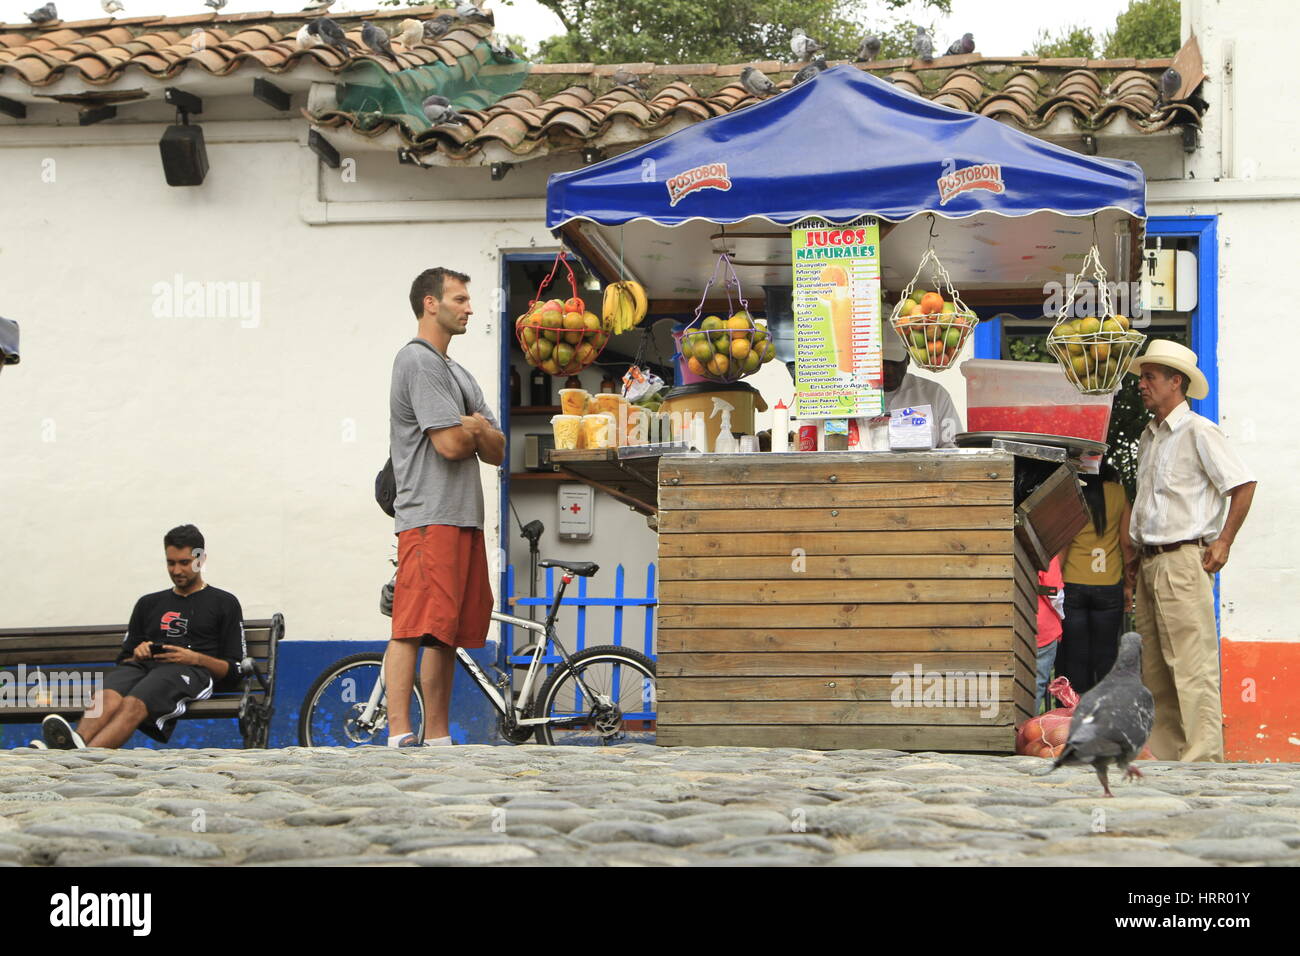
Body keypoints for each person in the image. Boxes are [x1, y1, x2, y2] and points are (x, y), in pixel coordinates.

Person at [387, 267, 505, 748]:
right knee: (412, 625)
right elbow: (452, 445)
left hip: (462, 518)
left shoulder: (458, 372)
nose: (470, 308)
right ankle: (399, 733)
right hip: (428, 516)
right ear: (430, 303)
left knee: (445, 633)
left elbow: (497, 450)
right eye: (459, 299)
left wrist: (475, 428)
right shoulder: (417, 361)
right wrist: (473, 429)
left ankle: (436, 736)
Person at [1126, 341, 1256, 762]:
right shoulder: (1149, 438)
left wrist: (1224, 541)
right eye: (1142, 377)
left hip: (1184, 558)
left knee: (1192, 664)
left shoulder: (1199, 431)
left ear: (1175, 382)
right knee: (1155, 669)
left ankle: (1202, 760)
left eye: (1150, 377)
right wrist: (1134, 559)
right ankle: (1168, 757)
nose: (1142, 385)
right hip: (1150, 561)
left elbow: (1243, 484)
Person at [37, 525, 246, 750]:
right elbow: (124, 659)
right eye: (170, 563)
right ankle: (76, 744)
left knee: (133, 703)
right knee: (107, 695)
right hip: (143, 667)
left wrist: (194, 658)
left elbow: (235, 669)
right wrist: (139, 652)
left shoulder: (224, 603)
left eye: (184, 562)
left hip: (190, 672)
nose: (176, 570)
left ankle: (76, 755)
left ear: (201, 559)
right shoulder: (148, 603)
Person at [1058, 460, 1134, 697]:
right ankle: (1103, 708)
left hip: (1073, 583)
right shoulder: (1118, 494)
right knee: (1106, 654)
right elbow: (1127, 543)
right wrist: (1129, 585)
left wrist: (1054, 584)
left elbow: (1064, 543)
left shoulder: (1073, 494)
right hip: (1108, 585)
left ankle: (1073, 710)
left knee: (1075, 655)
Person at [881, 332, 962, 447]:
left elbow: (953, 447)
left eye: (895, 363)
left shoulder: (935, 394)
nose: (888, 370)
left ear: (908, 359)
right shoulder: (856, 394)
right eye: (881, 363)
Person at [1034, 553, 1064, 713]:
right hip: (1043, 628)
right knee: (1035, 686)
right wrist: (1061, 616)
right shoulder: (1047, 551)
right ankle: (1024, 726)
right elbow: (1055, 594)